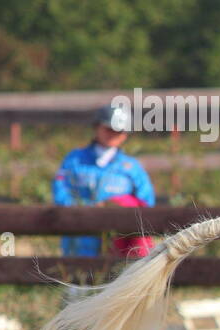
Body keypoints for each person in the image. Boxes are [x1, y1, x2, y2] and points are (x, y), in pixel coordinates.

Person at [52, 102, 156, 258]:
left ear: (125, 134)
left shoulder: (131, 168)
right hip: (80, 238)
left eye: (119, 130)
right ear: (97, 128)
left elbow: (146, 202)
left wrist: (117, 208)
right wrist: (85, 211)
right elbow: (61, 190)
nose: (113, 133)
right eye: (109, 129)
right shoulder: (74, 160)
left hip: (117, 243)